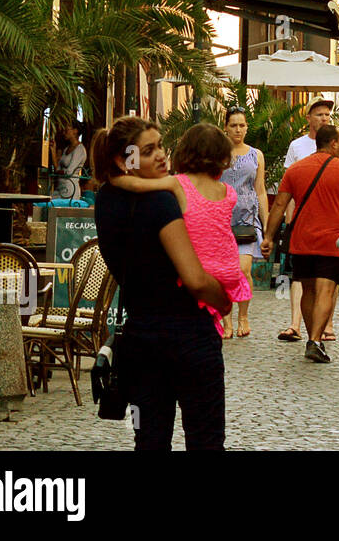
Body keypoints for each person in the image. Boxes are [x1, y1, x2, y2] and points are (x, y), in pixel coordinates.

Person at [92, 117, 231, 451]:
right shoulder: (160, 202)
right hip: (189, 337)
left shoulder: (105, 200)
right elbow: (195, 279)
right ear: (124, 160)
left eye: (161, 146)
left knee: (150, 441)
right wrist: (225, 301)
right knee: (206, 441)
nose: (161, 156)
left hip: (140, 341)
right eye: (149, 150)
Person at [109, 123, 252, 337]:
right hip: (228, 268)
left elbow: (139, 186)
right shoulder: (228, 191)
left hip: (199, 268)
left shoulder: (179, 184)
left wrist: (117, 179)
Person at [263, 124, 339, 363]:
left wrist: (268, 237)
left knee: (307, 290)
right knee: (325, 289)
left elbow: (279, 206)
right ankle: (315, 340)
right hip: (332, 241)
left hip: (302, 241)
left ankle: (311, 337)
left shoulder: (295, 169)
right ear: (333, 143)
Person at [220, 107, 267, 338]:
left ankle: (244, 315)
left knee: (242, 269)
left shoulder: (256, 155)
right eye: (234, 125)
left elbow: (260, 190)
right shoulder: (218, 153)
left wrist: (266, 224)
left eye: (242, 125)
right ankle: (226, 320)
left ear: (247, 127)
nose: (238, 129)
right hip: (221, 219)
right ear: (225, 128)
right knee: (223, 272)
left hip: (247, 220)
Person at [50, 122, 87, 200]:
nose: (64, 133)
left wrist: (60, 171)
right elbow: (57, 168)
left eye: (66, 130)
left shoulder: (80, 149)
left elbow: (70, 171)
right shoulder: (67, 149)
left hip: (70, 189)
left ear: (75, 131)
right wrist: (53, 151)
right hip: (60, 188)